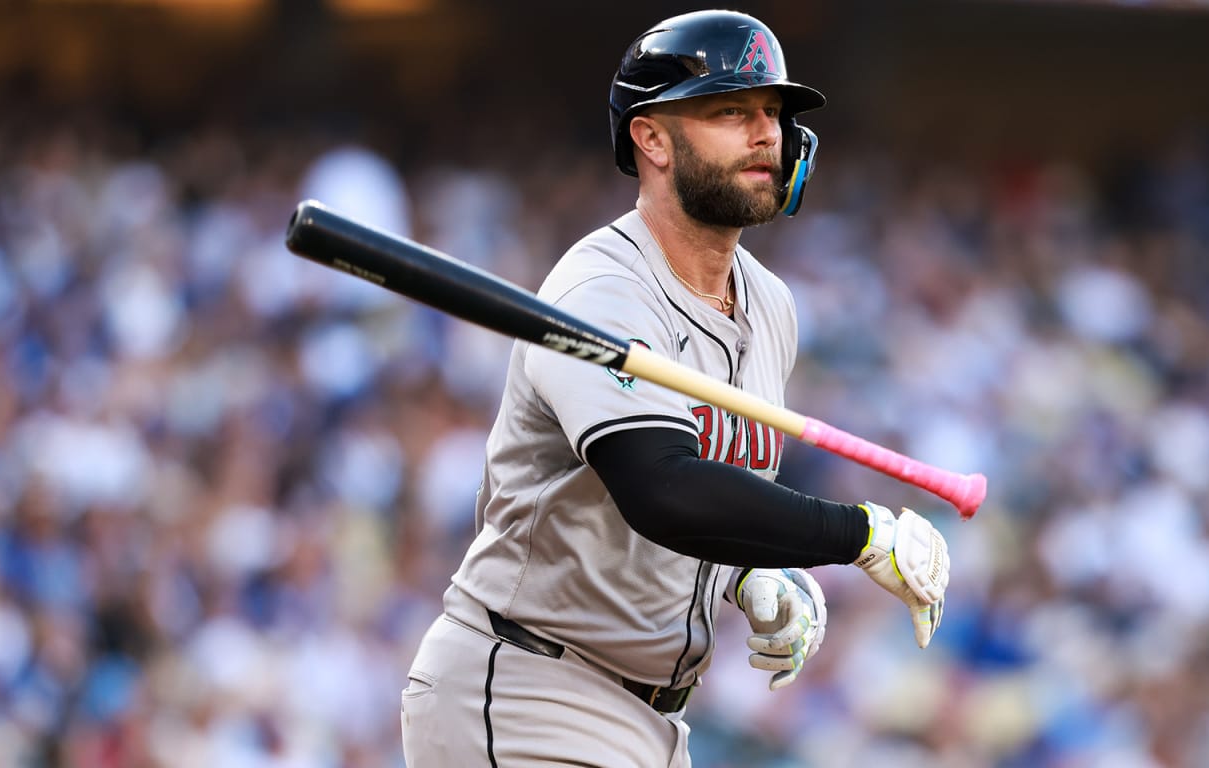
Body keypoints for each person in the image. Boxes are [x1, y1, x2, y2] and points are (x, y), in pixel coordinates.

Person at [400, 11, 952, 767]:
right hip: (527, 686)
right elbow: (660, 488)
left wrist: (746, 572)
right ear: (651, 138)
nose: (767, 135)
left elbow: (708, 488)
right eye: (731, 111)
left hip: (650, 719)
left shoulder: (772, 305)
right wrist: (858, 534)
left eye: (773, 114)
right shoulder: (600, 290)